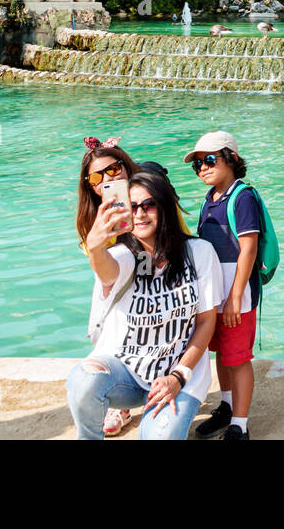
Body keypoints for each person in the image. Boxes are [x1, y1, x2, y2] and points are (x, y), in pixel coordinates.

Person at [67, 169, 222, 440]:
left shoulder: (199, 253)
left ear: (164, 206)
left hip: (178, 377)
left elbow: (206, 321)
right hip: (126, 373)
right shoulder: (129, 256)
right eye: (133, 206)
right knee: (84, 380)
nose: (140, 213)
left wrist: (177, 376)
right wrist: (95, 249)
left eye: (148, 204)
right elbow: (108, 271)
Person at [187, 131, 263, 441]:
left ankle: (240, 426)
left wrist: (234, 297)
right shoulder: (210, 199)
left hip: (237, 295)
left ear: (231, 158)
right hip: (215, 292)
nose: (202, 168)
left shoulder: (242, 196)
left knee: (239, 358)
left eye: (208, 160)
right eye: (197, 165)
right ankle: (228, 407)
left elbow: (249, 247)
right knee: (221, 352)